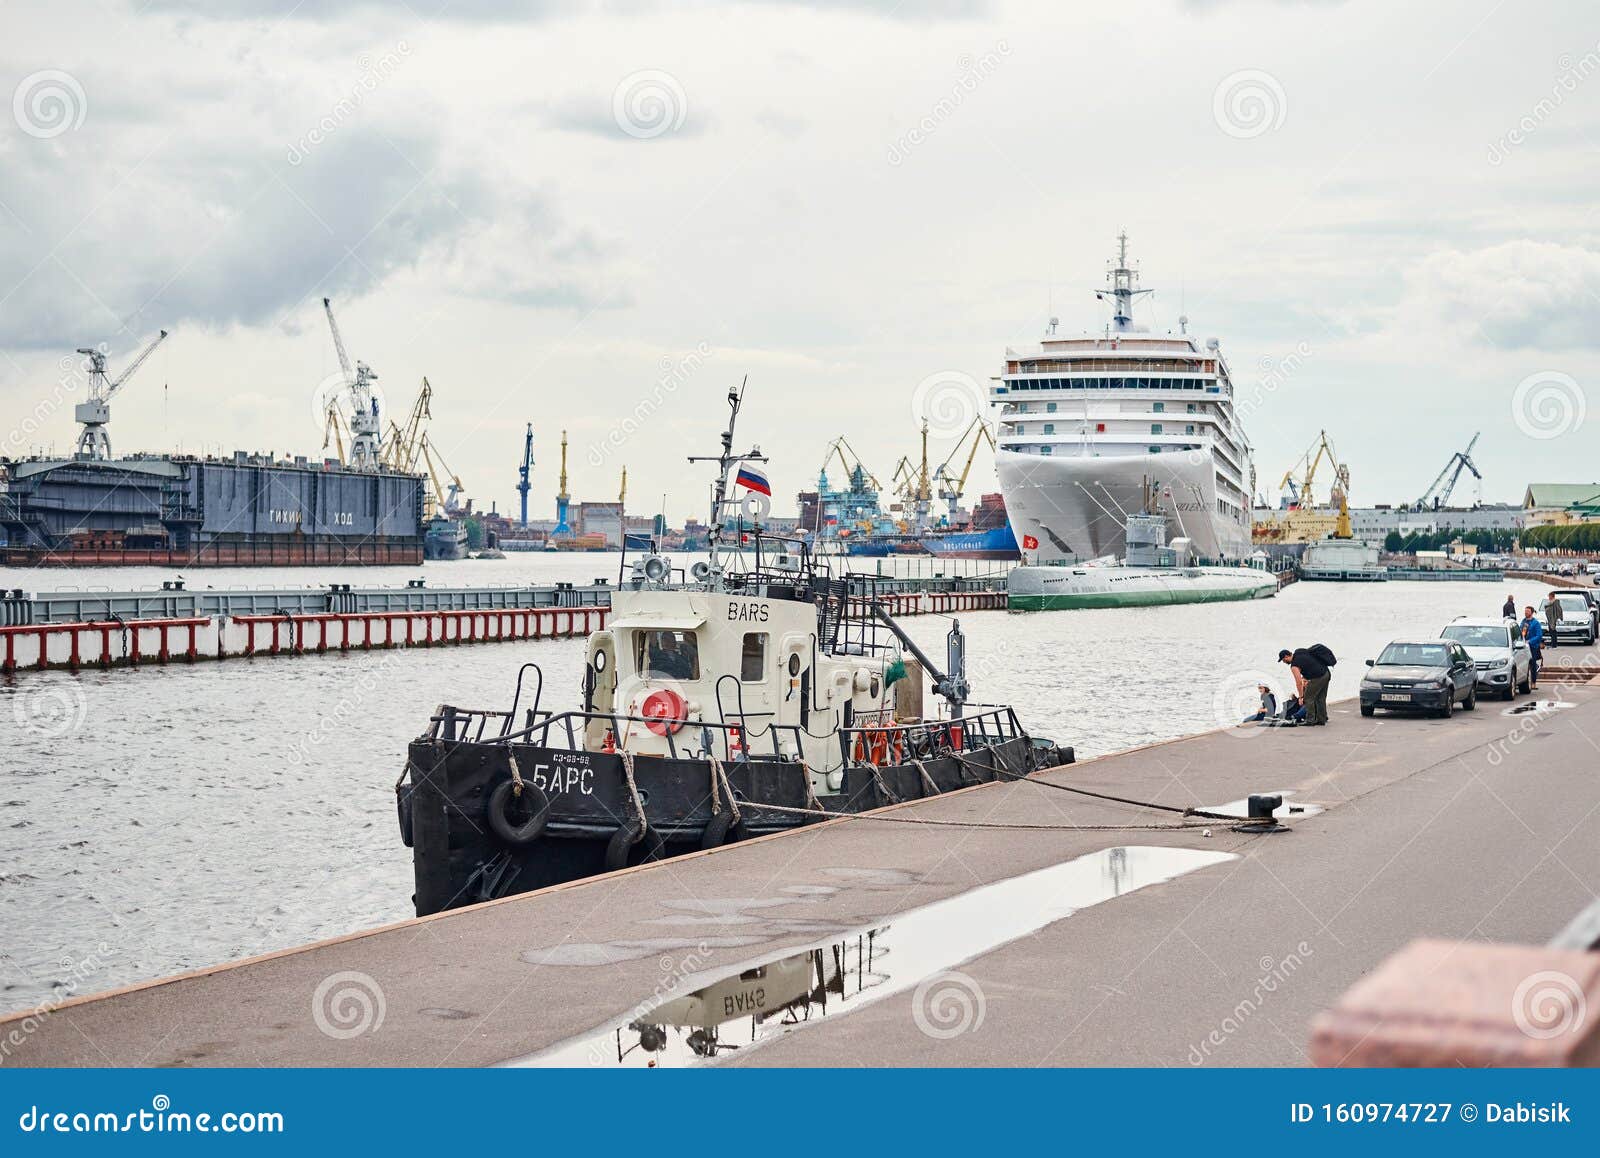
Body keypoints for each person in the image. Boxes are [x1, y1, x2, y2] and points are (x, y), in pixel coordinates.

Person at [1279, 645, 1331, 726]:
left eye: (1283, 660)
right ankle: (1321, 719)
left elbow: (1299, 682)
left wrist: (1301, 697)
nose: (1284, 662)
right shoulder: (1299, 651)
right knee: (1320, 698)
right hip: (1326, 673)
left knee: (1308, 698)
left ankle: (1310, 720)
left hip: (1318, 677)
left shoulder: (1294, 665)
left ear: (1286, 656)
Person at [1522, 606, 1543, 690]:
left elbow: (1539, 636)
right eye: (1525, 611)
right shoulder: (1523, 621)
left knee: (1533, 664)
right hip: (1523, 646)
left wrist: (1529, 641)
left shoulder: (1536, 623)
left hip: (1533, 647)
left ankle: (1533, 682)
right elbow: (1521, 632)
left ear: (1532, 612)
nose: (1526, 613)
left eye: (1527, 611)